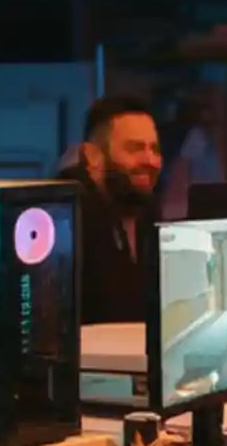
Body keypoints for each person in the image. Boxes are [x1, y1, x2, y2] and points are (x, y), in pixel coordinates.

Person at [58, 94, 164, 324]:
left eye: (154, 149)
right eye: (135, 148)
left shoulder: (145, 208)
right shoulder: (66, 217)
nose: (150, 160)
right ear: (93, 157)